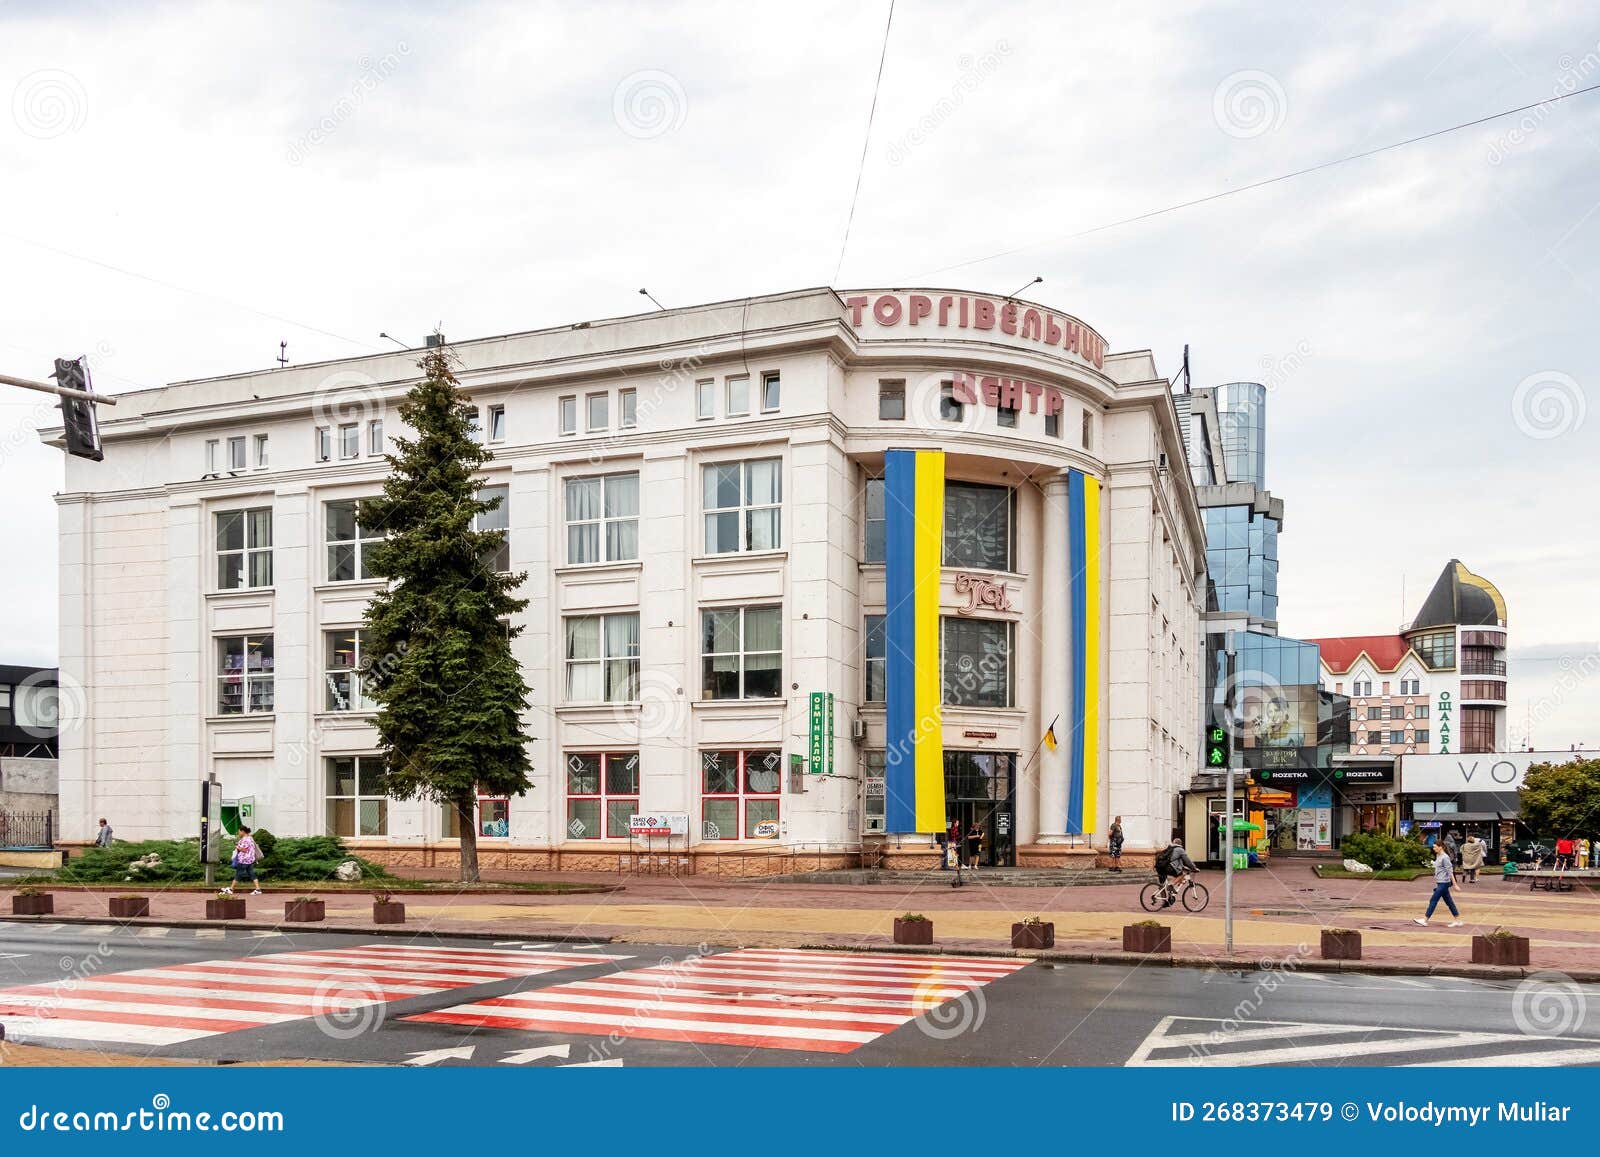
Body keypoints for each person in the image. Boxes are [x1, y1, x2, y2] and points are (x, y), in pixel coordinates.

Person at [1414, 841, 1464, 927]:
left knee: (1433, 900)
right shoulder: (1439, 856)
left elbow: (1450, 871)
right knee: (1449, 902)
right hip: (1440, 882)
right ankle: (1458, 920)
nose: (1433, 848)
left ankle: (1425, 920)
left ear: (1441, 847)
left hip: (1443, 883)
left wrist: (1455, 884)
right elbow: (1440, 868)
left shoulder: (1445, 857)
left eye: (1435, 847)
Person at [222, 824, 263, 896]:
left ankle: (231, 889)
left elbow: (244, 850)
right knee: (251, 874)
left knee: (238, 874)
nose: (238, 833)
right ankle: (258, 889)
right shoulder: (250, 838)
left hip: (243, 860)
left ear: (243, 831)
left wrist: (237, 847)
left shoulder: (245, 839)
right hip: (250, 860)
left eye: (239, 832)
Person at [1156, 837, 1197, 906]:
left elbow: (1177, 861)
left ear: (1173, 842)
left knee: (1162, 885)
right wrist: (1194, 868)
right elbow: (1187, 861)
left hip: (1160, 867)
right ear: (1180, 844)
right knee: (1182, 874)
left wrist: (1183, 866)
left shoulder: (1169, 848)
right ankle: (1171, 885)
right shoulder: (1180, 849)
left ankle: (1165, 902)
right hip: (1168, 867)